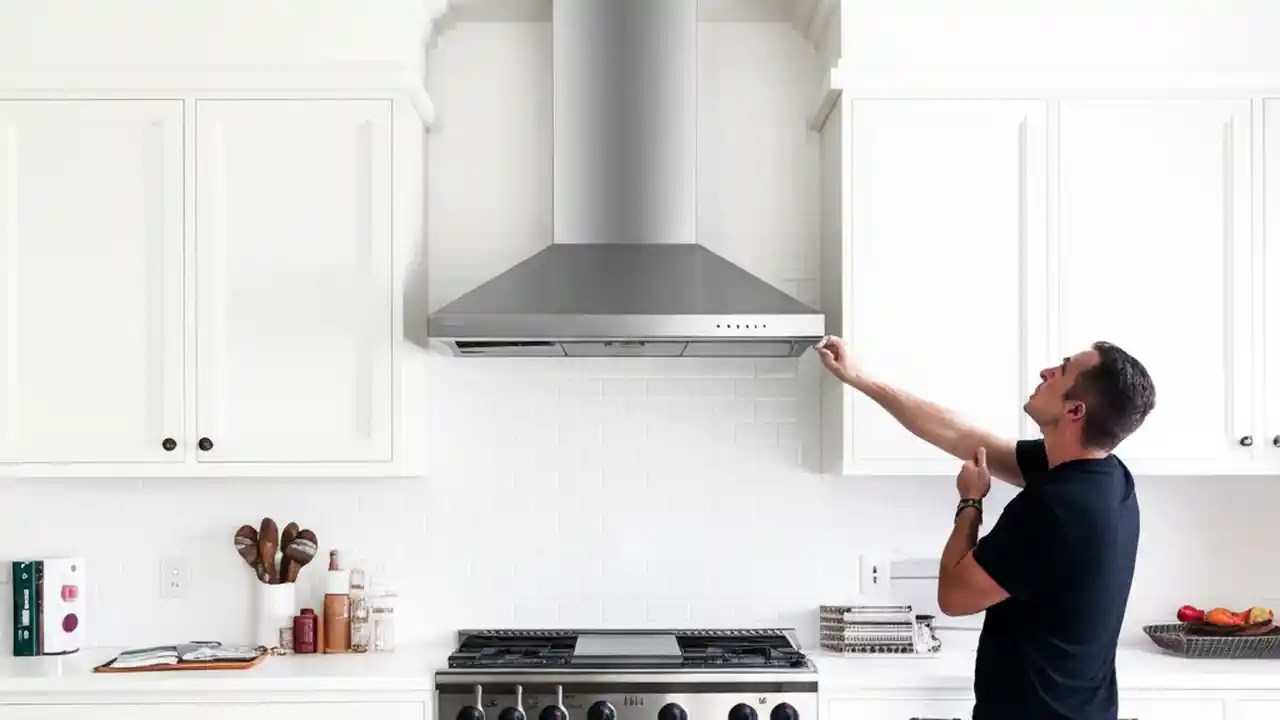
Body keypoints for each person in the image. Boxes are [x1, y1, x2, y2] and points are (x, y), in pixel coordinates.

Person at [816, 335, 1156, 720]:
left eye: (1060, 371)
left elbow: (954, 596)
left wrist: (971, 502)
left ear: (1075, 410)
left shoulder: (1056, 508)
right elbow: (963, 436)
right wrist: (861, 378)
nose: (1045, 371)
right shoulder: (1106, 477)